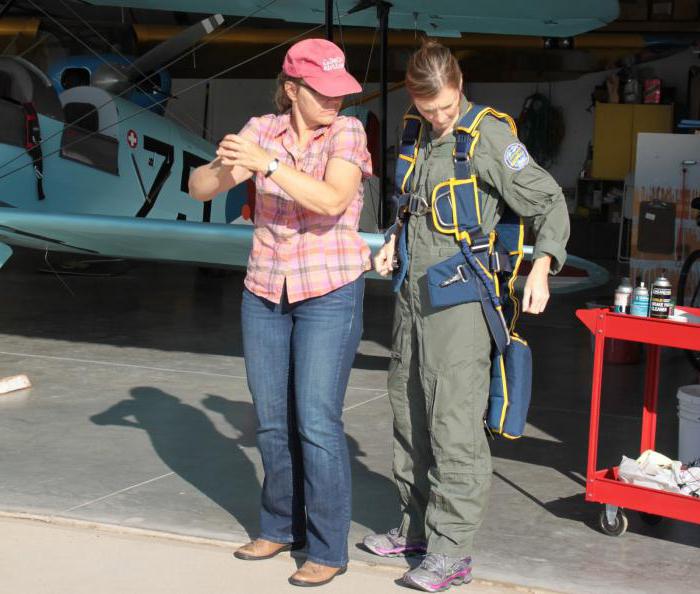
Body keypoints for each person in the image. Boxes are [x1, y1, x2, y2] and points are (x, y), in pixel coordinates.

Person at [363, 41, 569, 592]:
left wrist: (543, 266)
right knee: (407, 411)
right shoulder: (415, 132)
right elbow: (414, 206)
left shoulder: (490, 138)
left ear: (460, 88)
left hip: (462, 296)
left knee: (454, 423)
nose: (438, 119)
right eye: (429, 110)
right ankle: (413, 528)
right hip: (413, 293)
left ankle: (452, 552)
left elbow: (550, 201)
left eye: (446, 110)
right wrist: (391, 242)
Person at [189, 38, 372, 587]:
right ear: (292, 89)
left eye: (341, 90)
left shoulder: (347, 131)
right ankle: (278, 525)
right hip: (265, 289)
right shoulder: (258, 128)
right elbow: (199, 188)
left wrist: (266, 163)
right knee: (271, 420)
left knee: (315, 420)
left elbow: (332, 199)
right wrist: (229, 169)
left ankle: (327, 546)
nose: (336, 100)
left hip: (329, 290)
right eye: (323, 91)